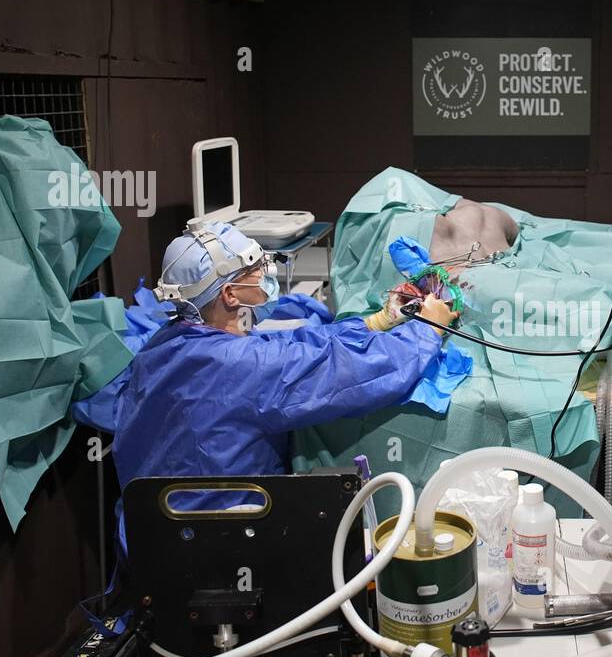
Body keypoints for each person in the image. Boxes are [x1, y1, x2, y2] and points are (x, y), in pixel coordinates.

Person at [112, 222, 457, 518]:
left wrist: (376, 323)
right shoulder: (240, 365)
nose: (265, 273)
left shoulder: (166, 345)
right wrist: (425, 332)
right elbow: (352, 372)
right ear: (230, 295)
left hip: (149, 541)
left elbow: (291, 350)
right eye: (254, 268)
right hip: (221, 541)